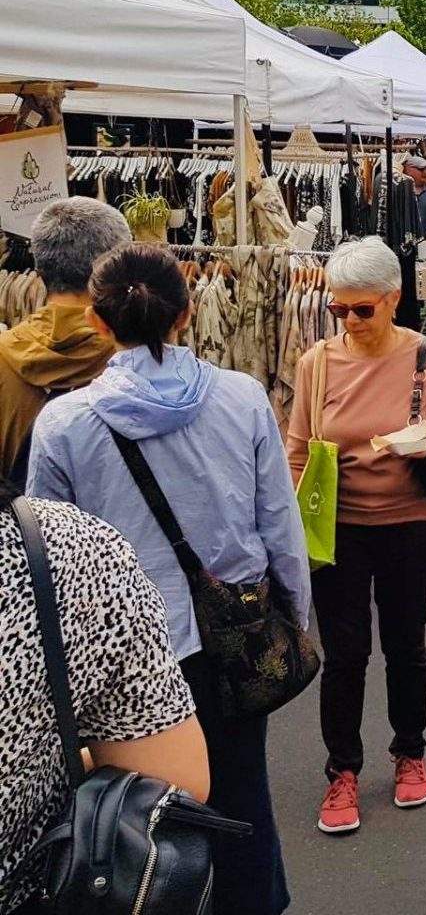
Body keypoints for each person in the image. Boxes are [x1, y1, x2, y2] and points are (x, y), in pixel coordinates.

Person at [26, 244, 309, 915]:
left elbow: (51, 561)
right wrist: (295, 618)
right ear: (186, 315)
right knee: (242, 792)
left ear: (97, 323)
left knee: (135, 813)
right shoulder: (242, 399)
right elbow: (280, 525)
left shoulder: (64, 424)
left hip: (120, 652)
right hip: (234, 636)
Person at [284, 238, 426, 835]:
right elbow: (298, 451)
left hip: (410, 527)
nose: (349, 320)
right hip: (338, 530)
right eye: (337, 309)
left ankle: (410, 753)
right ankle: (342, 771)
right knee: (344, 656)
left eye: (362, 309)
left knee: (406, 645)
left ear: (393, 299)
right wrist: (292, 535)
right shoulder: (316, 362)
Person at [0, 481, 215, 915]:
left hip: (118, 640)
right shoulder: (70, 551)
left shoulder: (63, 426)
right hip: (188, 624)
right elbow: (178, 778)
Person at [0, 197, 131, 482]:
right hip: (114, 525)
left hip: (26, 523)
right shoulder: (137, 358)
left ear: (39, 267)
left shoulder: (4, 355)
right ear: (117, 269)